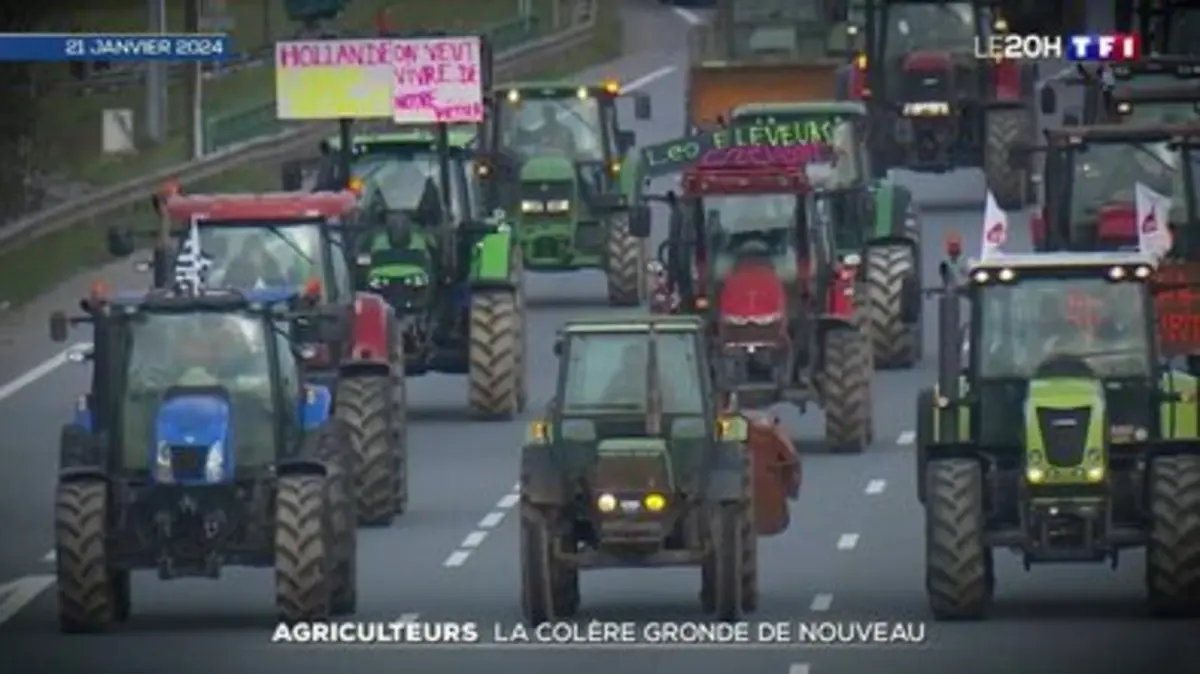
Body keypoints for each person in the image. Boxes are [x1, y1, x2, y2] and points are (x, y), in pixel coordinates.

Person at [222, 235, 288, 288]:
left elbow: (284, 290)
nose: (255, 255)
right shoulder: (235, 269)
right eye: (252, 250)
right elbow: (227, 289)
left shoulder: (273, 269)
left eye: (257, 250)